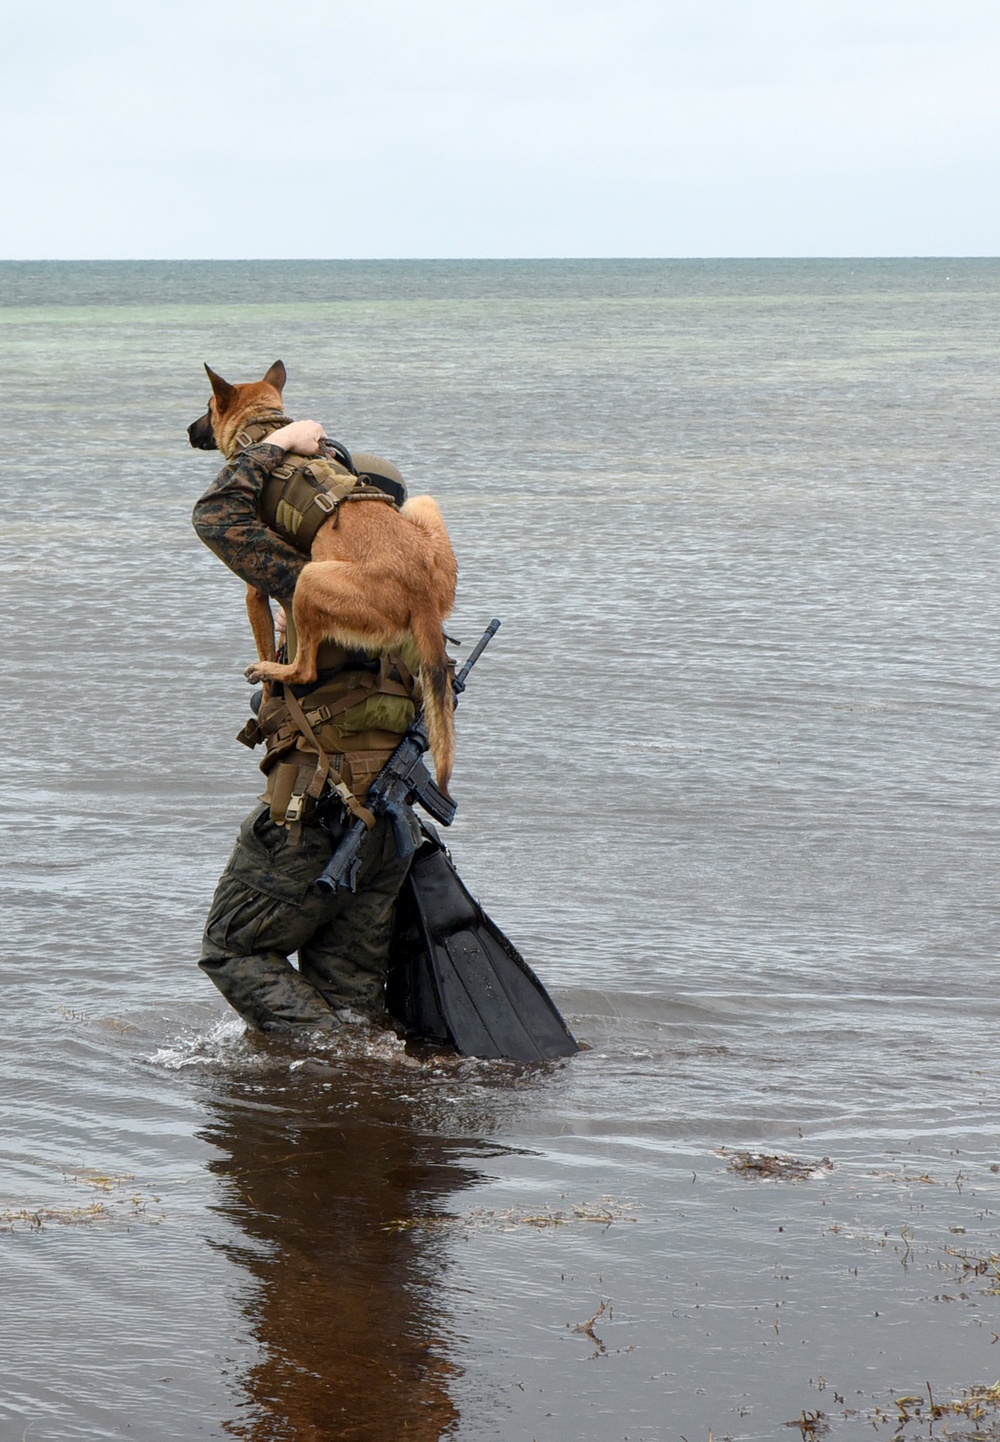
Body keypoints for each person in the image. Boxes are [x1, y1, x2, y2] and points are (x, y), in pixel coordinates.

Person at [192, 419, 423, 1035]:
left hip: (310, 820)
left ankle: (336, 1062)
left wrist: (277, 446)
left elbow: (215, 515)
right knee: (347, 990)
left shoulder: (314, 586)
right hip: (385, 830)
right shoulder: (416, 608)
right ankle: (356, 1095)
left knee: (232, 949)